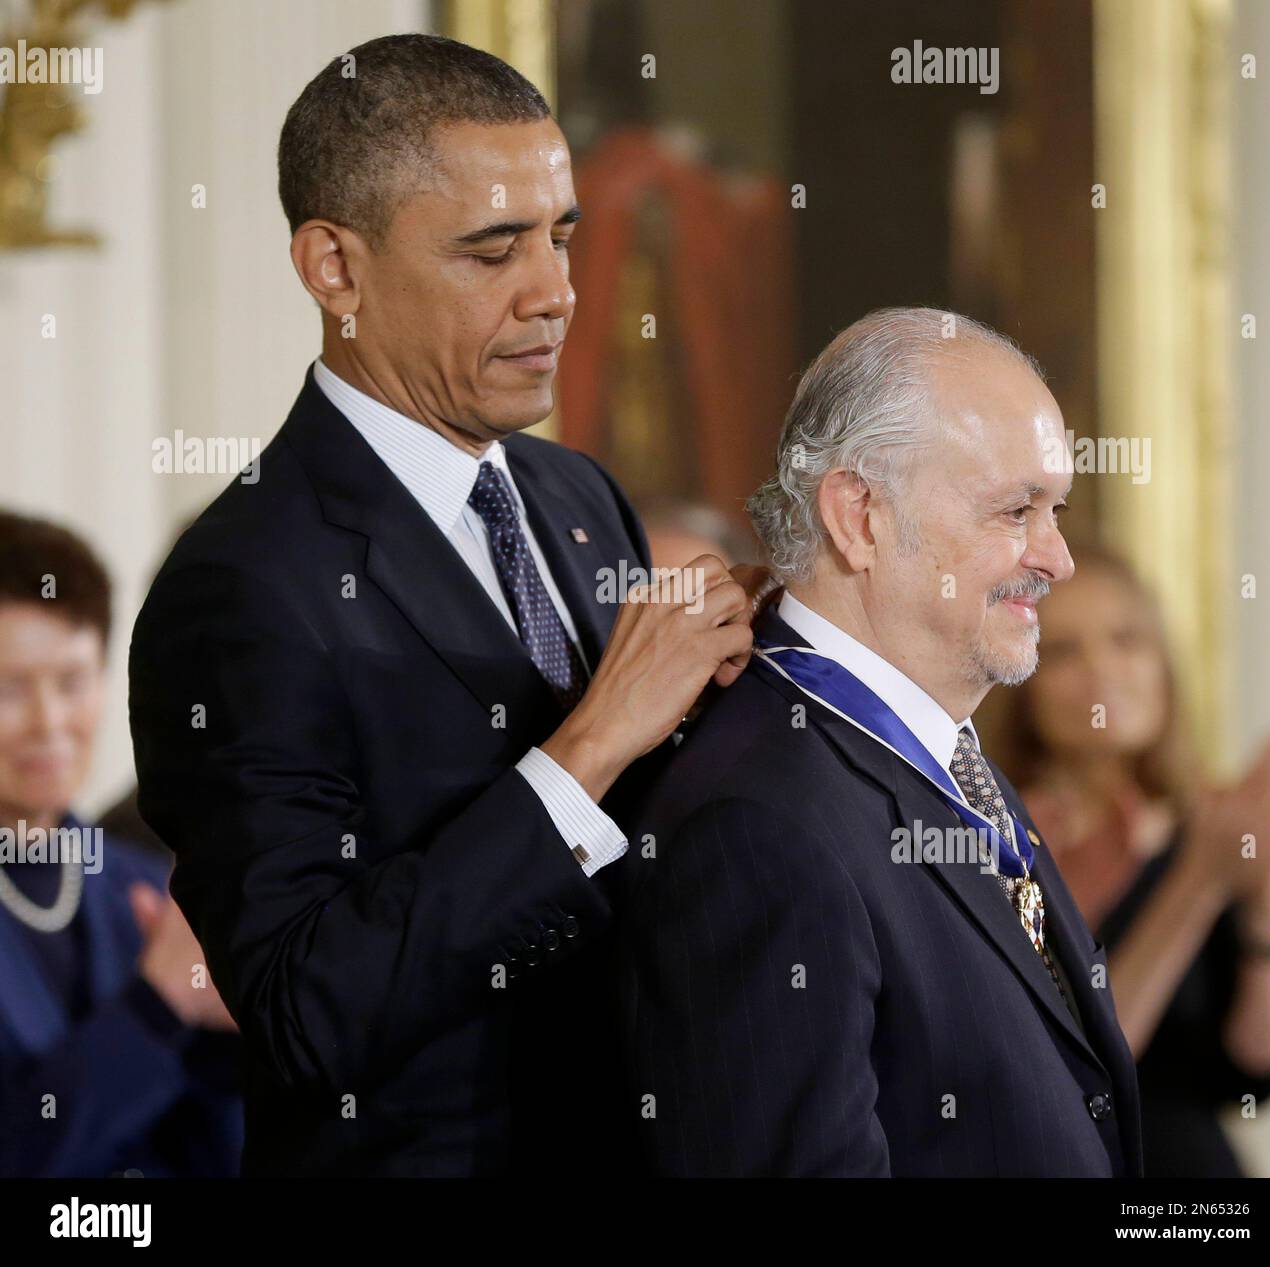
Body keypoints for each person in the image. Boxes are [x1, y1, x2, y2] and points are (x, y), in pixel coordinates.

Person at [128, 34, 766, 1178]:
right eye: (492, 252)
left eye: (562, 234)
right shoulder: (241, 586)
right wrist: (589, 748)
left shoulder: (578, 497)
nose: (558, 293)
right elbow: (301, 1008)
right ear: (334, 268)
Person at [619, 307, 1144, 1176]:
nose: (1058, 558)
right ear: (858, 516)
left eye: (1056, 509)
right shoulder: (759, 825)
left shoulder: (937, 752)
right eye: (1016, 509)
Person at [1000, 542, 1270, 1176]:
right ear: (1023, 682)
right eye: (1066, 651)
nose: (1103, 671)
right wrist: (1199, 883)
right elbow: (1071, 1077)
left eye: (1127, 640)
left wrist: (1260, 901)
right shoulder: (998, 843)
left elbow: (1252, 1076)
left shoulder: (1204, 829)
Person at [0, 510, 242, 1177]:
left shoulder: (137, 881)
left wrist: (229, 1037)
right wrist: (157, 1003)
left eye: (73, 681)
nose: (49, 723)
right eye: (10, 688)